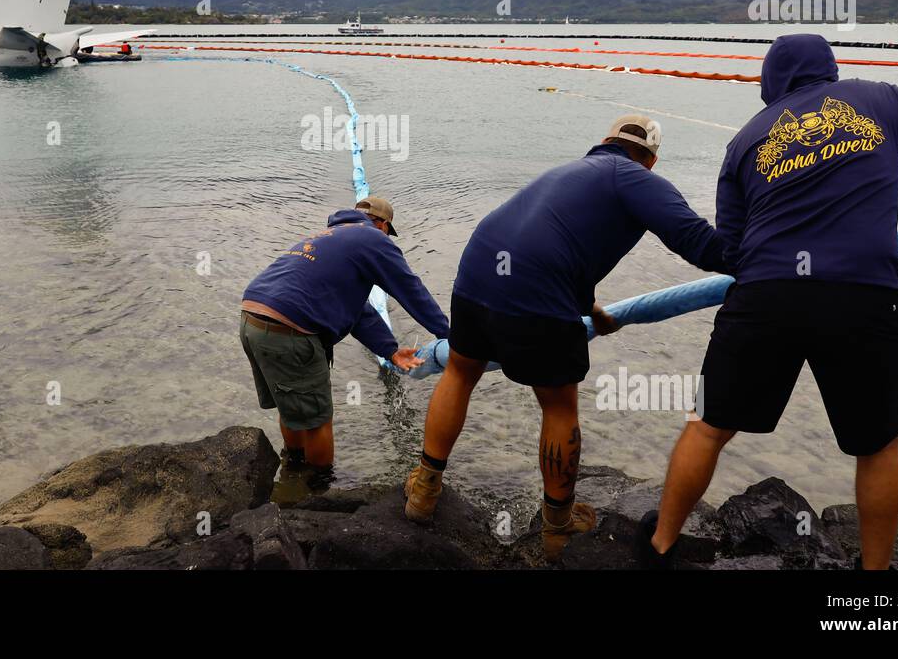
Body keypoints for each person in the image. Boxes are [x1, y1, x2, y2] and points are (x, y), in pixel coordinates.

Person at [636, 34, 898, 570]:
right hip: (864, 294)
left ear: (769, 85)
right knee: (876, 446)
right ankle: (874, 580)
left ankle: (660, 548)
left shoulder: (744, 142)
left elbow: (734, 252)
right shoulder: (883, 99)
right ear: (830, 71)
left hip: (766, 297)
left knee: (709, 425)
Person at [404, 115, 733, 563]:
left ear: (603, 142)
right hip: (537, 294)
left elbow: (549, 243)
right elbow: (698, 243)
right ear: (652, 160)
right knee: (558, 405)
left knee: (461, 372)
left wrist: (591, 309)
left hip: (475, 274)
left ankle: (423, 489)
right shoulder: (634, 176)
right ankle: (557, 528)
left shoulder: (566, 172)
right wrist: (761, 259)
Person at [241, 196, 447, 484]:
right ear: (383, 225)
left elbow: (358, 312)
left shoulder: (328, 237)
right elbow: (411, 290)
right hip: (290, 330)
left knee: (293, 407)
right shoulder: (373, 239)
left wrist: (390, 351)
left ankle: (293, 470)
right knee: (317, 421)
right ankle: (317, 491)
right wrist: (450, 335)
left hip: (252, 317)